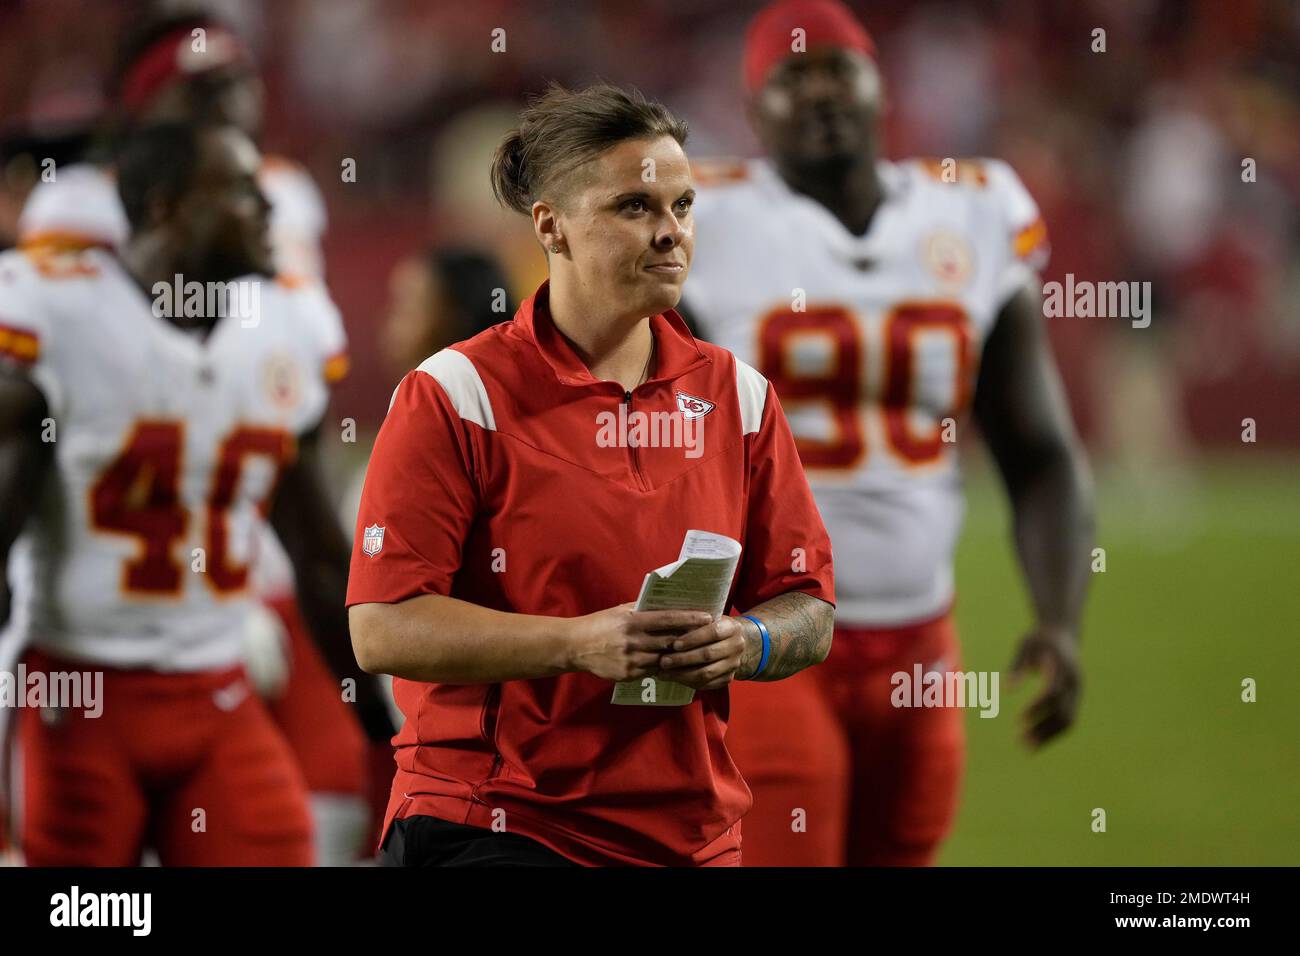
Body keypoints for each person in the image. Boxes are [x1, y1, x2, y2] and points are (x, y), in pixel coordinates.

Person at [346, 82, 837, 867]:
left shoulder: (737, 396)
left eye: (682, 207)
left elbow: (808, 605)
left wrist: (747, 642)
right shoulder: (456, 394)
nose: (670, 233)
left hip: (693, 836)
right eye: (635, 208)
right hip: (501, 820)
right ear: (552, 227)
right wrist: (576, 644)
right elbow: (382, 627)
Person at [677, 0, 1095, 866]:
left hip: (920, 635)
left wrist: (1058, 619)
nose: (822, 90)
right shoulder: (700, 219)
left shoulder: (975, 211)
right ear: (754, 108)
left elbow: (1039, 450)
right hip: (766, 628)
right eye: (795, 76)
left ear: (881, 86)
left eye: (841, 68)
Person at [9, 7, 386, 865]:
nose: (264, 205)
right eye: (202, 91)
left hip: (219, 659)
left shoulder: (285, 319)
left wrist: (383, 727)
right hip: (83, 679)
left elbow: (317, 539)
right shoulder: (58, 305)